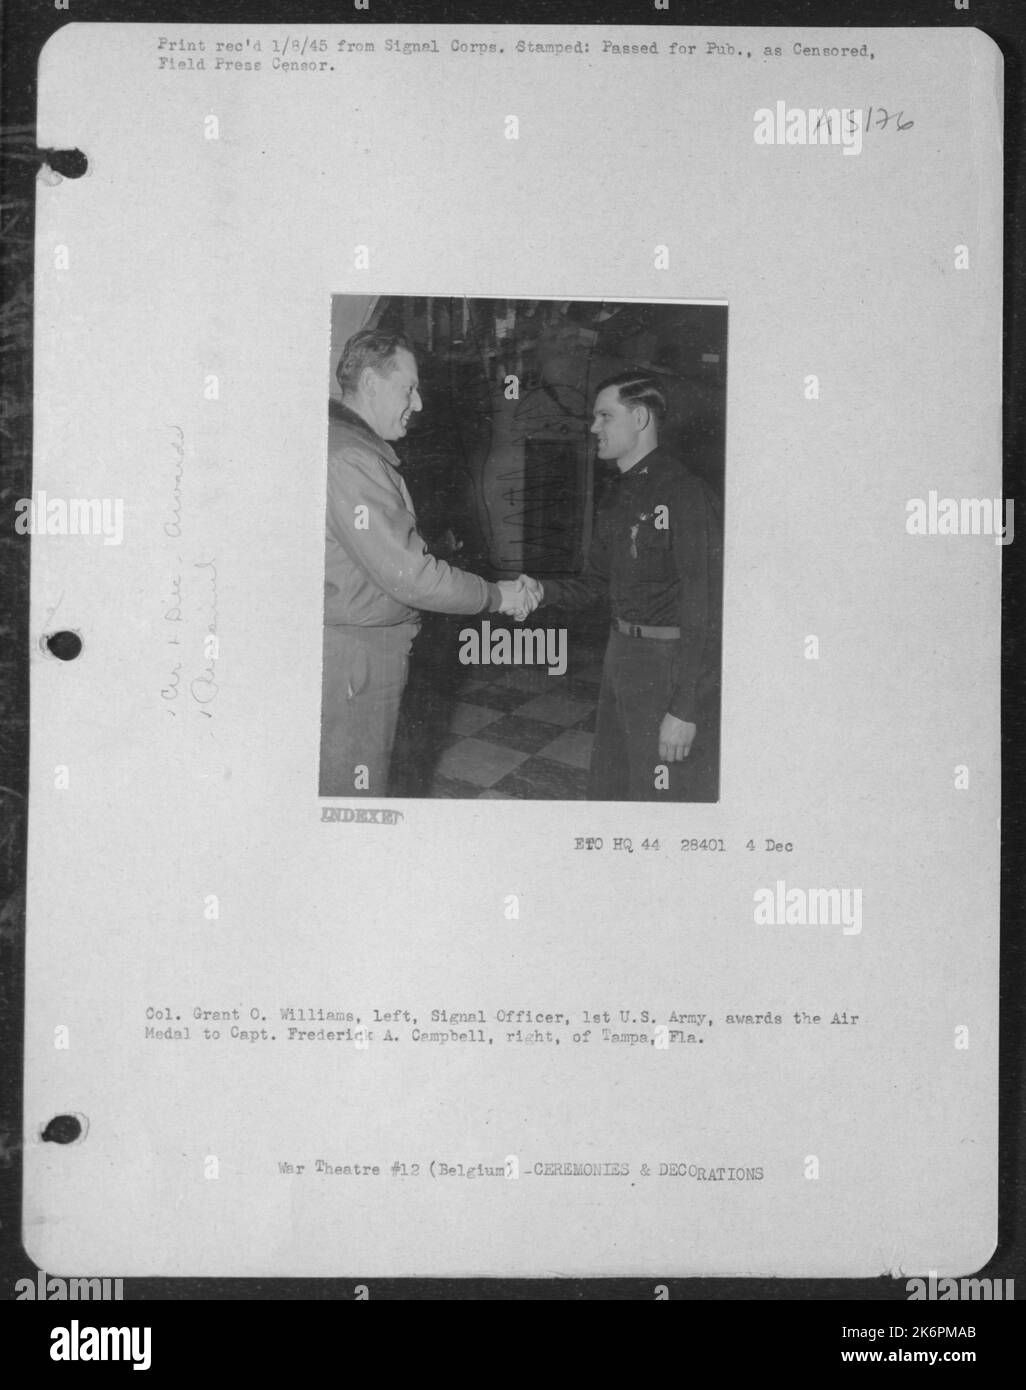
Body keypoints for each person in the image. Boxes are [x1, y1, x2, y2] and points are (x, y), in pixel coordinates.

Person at [321, 329, 536, 797]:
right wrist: (498, 595)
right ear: (373, 385)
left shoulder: (349, 449)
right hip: (358, 658)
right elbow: (410, 577)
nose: (417, 404)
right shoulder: (352, 458)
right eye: (409, 388)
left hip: (360, 648)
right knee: (354, 793)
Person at [520, 370, 721, 801]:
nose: (593, 428)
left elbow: (705, 605)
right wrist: (540, 590)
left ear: (641, 418)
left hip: (666, 664)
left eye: (604, 416)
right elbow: (596, 584)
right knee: (612, 786)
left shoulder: (686, 493)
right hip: (622, 657)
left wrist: (685, 707)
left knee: (658, 796)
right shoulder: (617, 494)